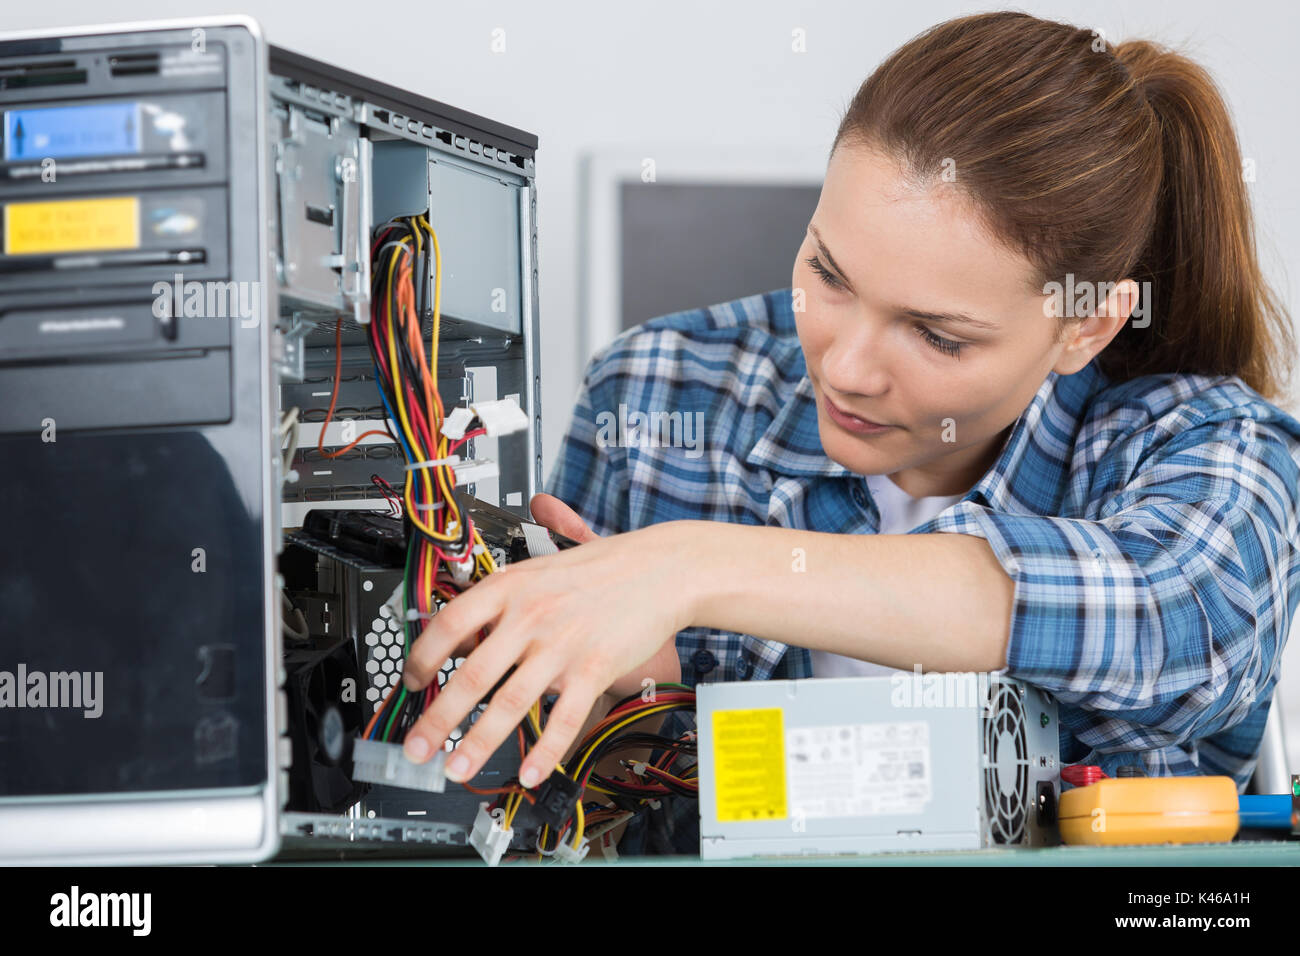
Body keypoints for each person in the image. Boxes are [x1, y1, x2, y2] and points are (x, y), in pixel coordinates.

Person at [396, 11, 1300, 851]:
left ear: (1087, 325)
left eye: (937, 334)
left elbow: (1175, 612)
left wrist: (688, 567)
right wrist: (609, 718)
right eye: (828, 275)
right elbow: (555, 821)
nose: (845, 366)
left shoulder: (1206, 449)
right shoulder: (661, 386)